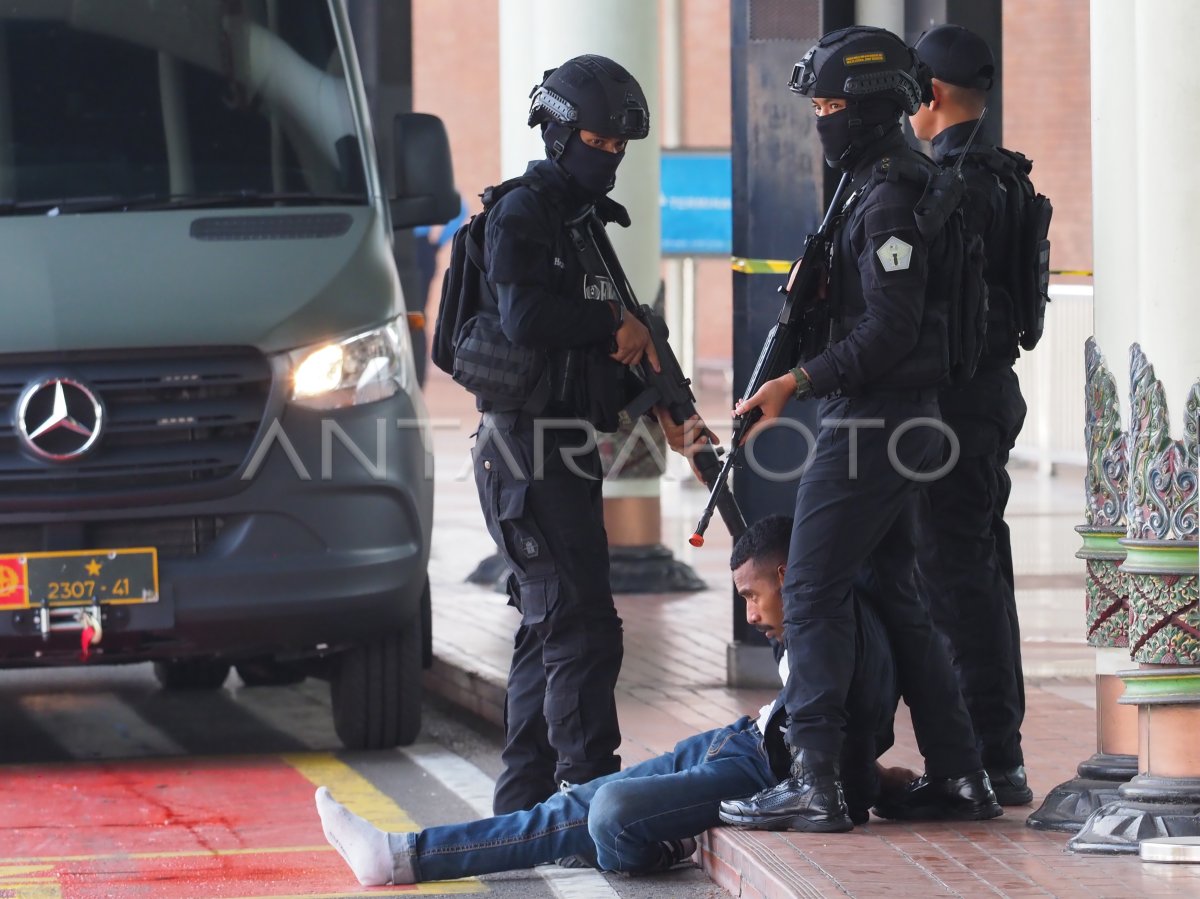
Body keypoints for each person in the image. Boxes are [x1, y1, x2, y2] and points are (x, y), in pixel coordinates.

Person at [717, 26, 1001, 831]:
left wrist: (796, 381)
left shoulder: (889, 195)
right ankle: (961, 773)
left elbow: (890, 330)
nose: (822, 118)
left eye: (834, 104)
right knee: (896, 595)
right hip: (895, 418)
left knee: (808, 586)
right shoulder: (876, 179)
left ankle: (814, 780)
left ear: (873, 106)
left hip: (879, 421)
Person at [314, 515, 907, 886]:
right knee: (566, 810)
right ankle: (400, 855)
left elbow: (844, 729)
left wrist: (874, 784)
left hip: (752, 771)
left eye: (754, 597)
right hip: (734, 742)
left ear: (786, 573)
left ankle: (403, 857)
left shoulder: (821, 620)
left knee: (606, 814)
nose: (750, 616)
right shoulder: (825, 618)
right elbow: (837, 723)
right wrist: (879, 780)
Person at [467, 54, 690, 816]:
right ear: (560, 134)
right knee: (581, 629)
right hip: (522, 451)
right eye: (598, 143)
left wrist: (674, 410)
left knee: (550, 627)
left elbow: (627, 342)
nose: (610, 160)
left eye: (620, 149)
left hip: (564, 450)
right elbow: (527, 320)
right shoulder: (522, 214)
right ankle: (591, 796)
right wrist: (612, 325)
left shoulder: (587, 227)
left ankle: (521, 804)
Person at [909, 24, 1033, 807]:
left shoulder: (948, 186)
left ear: (931, 95)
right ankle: (1002, 748)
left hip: (951, 403)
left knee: (953, 580)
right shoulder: (1009, 178)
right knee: (985, 570)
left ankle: (985, 754)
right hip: (992, 394)